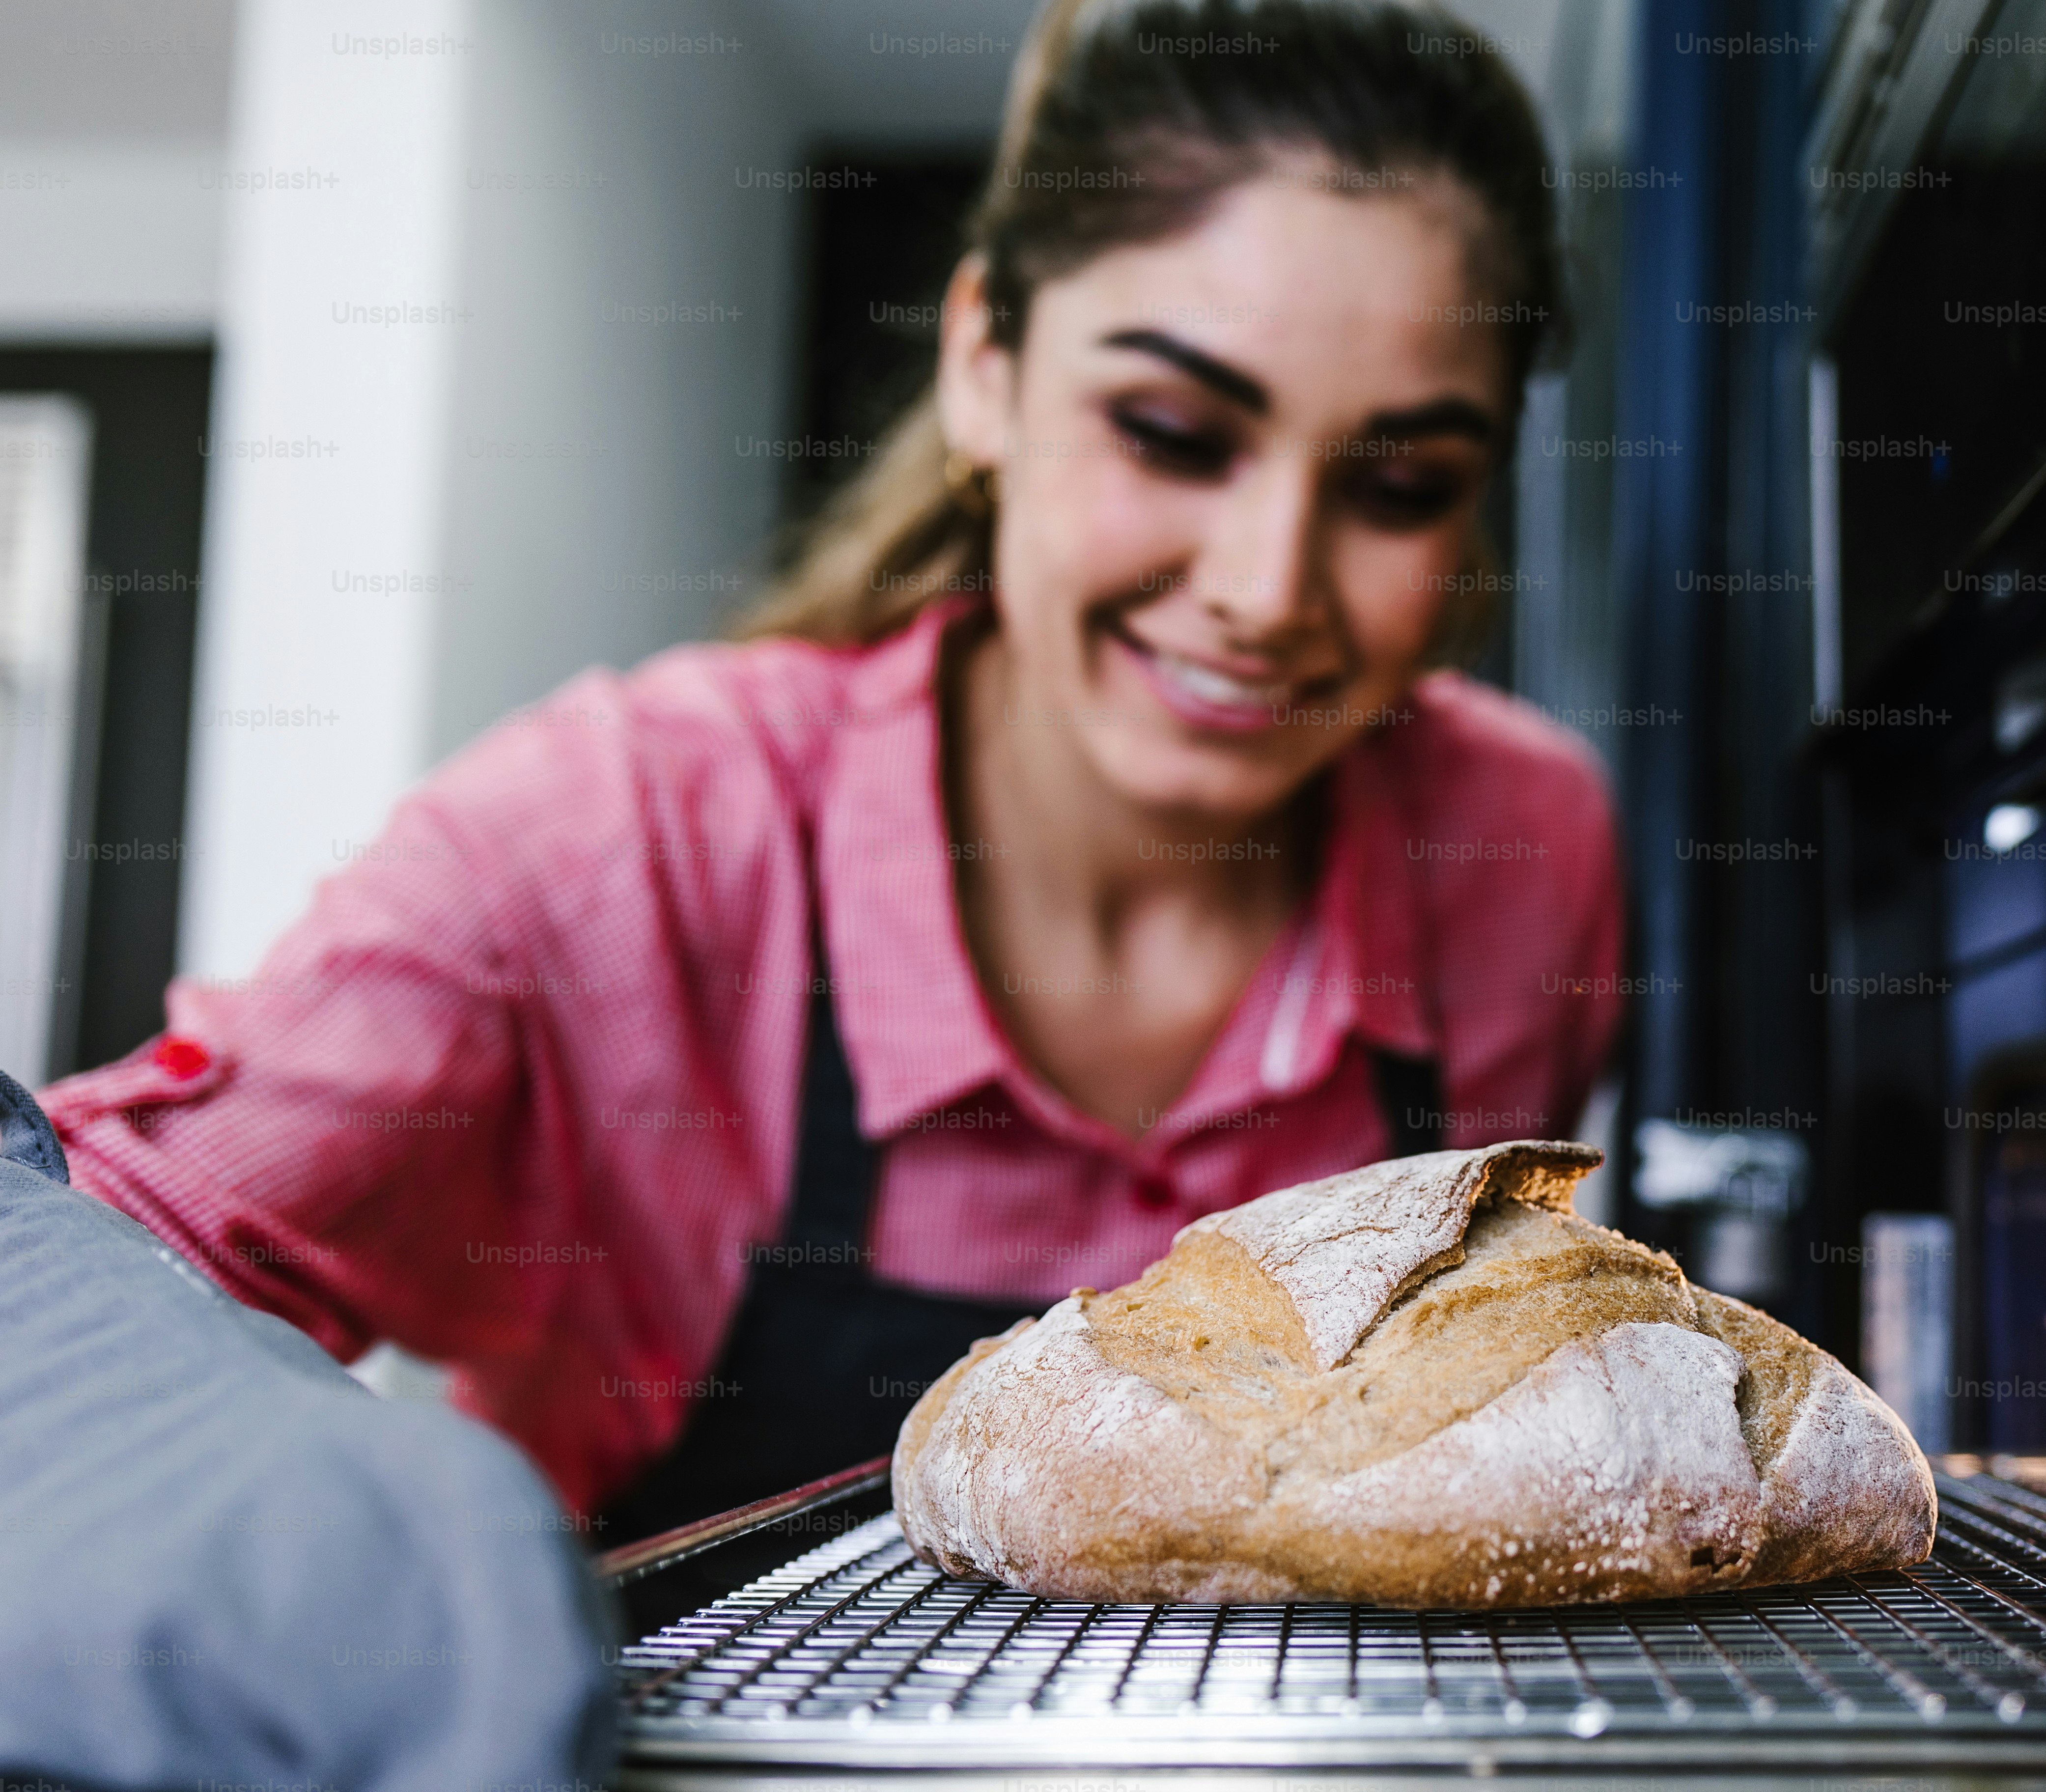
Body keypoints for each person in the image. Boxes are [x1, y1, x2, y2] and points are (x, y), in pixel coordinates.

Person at [8, 1, 1619, 1777]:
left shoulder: (1523, 857)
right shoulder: (614, 846)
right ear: (985, 363)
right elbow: (59, 1272)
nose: (1265, 585)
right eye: (1172, 428)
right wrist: (347, 1549)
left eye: (1399, 484)